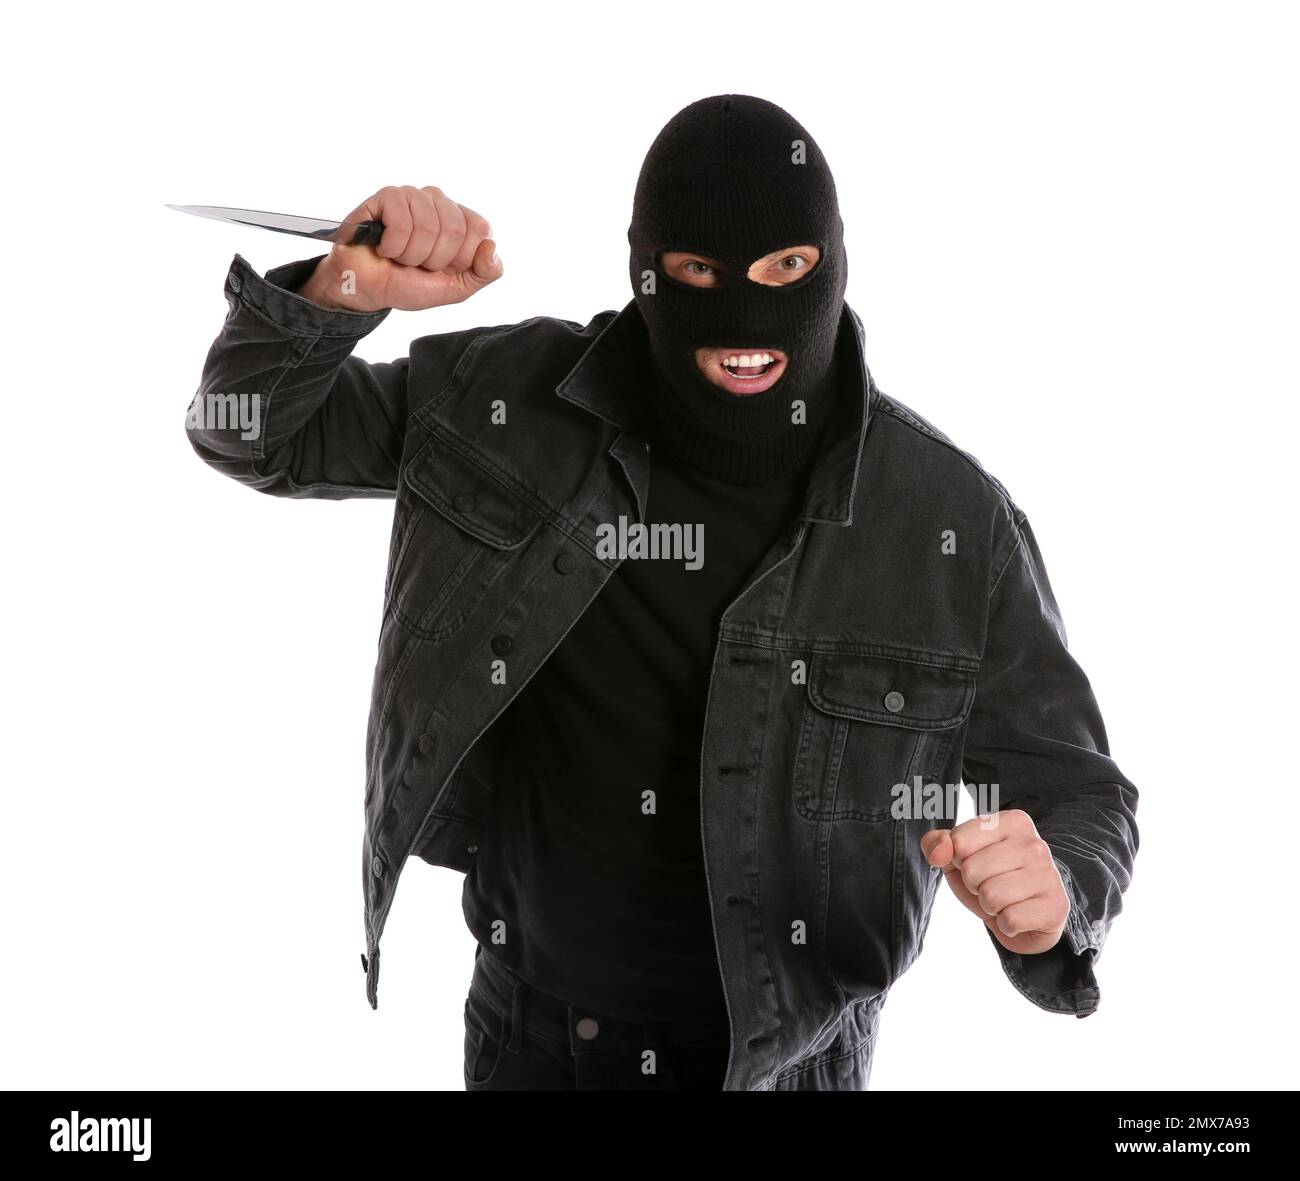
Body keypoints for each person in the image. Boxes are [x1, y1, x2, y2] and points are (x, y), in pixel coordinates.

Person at [185, 93, 1139, 1091]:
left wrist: (1057, 892)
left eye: (784, 270)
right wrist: (342, 287)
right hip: (536, 1047)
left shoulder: (947, 517)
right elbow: (241, 427)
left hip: (793, 1071)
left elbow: (1074, 787)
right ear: (645, 268)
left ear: (833, 260)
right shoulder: (504, 401)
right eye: (696, 273)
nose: (743, 318)